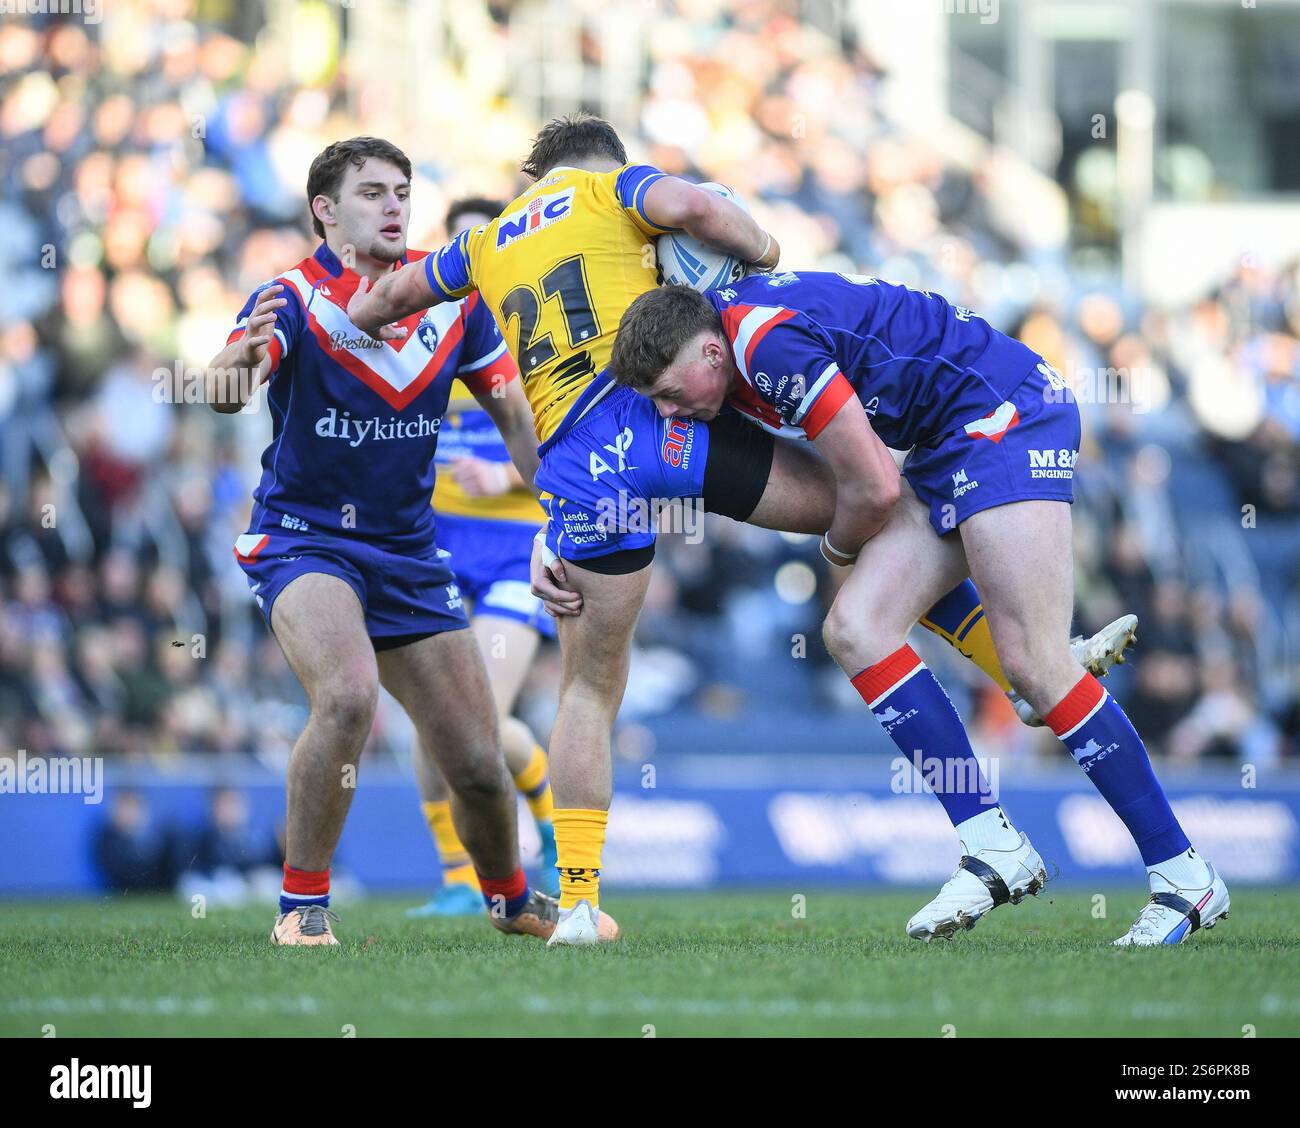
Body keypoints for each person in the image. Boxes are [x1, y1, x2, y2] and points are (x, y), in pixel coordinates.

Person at [346, 113, 1134, 946]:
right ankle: (1029, 659)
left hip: (582, 465)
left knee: (588, 687)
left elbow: (387, 300)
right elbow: (696, 207)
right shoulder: (613, 188)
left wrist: (351, 318)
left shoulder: (482, 244)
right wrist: (764, 253)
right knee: (877, 510)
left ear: (529, 178)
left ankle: (578, 903)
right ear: (601, 163)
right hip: (663, 414)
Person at [607, 274, 1229, 947]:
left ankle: (1182, 875)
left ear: (707, 354)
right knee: (856, 629)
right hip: (946, 439)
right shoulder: (728, 342)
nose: (668, 413)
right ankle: (993, 845)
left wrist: (836, 550)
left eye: (669, 394)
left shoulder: (763, 344)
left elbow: (873, 489)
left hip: (1004, 414)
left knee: (1038, 665)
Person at [204, 136, 569, 945]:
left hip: (409, 551)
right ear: (324, 211)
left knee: (475, 759)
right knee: (346, 697)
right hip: (305, 541)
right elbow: (227, 391)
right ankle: (301, 910)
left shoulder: (454, 299)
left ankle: (509, 901)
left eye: (402, 190)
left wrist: (564, 518)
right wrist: (225, 364)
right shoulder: (294, 298)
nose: (395, 205)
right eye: (372, 192)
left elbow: (516, 420)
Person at [409, 197, 561, 916]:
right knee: (428, 718)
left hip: (514, 547)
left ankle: (554, 830)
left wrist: (507, 474)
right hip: (432, 544)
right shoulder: (428, 332)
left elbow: (568, 437)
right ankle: (454, 878)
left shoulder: (536, 332)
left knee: (480, 720)